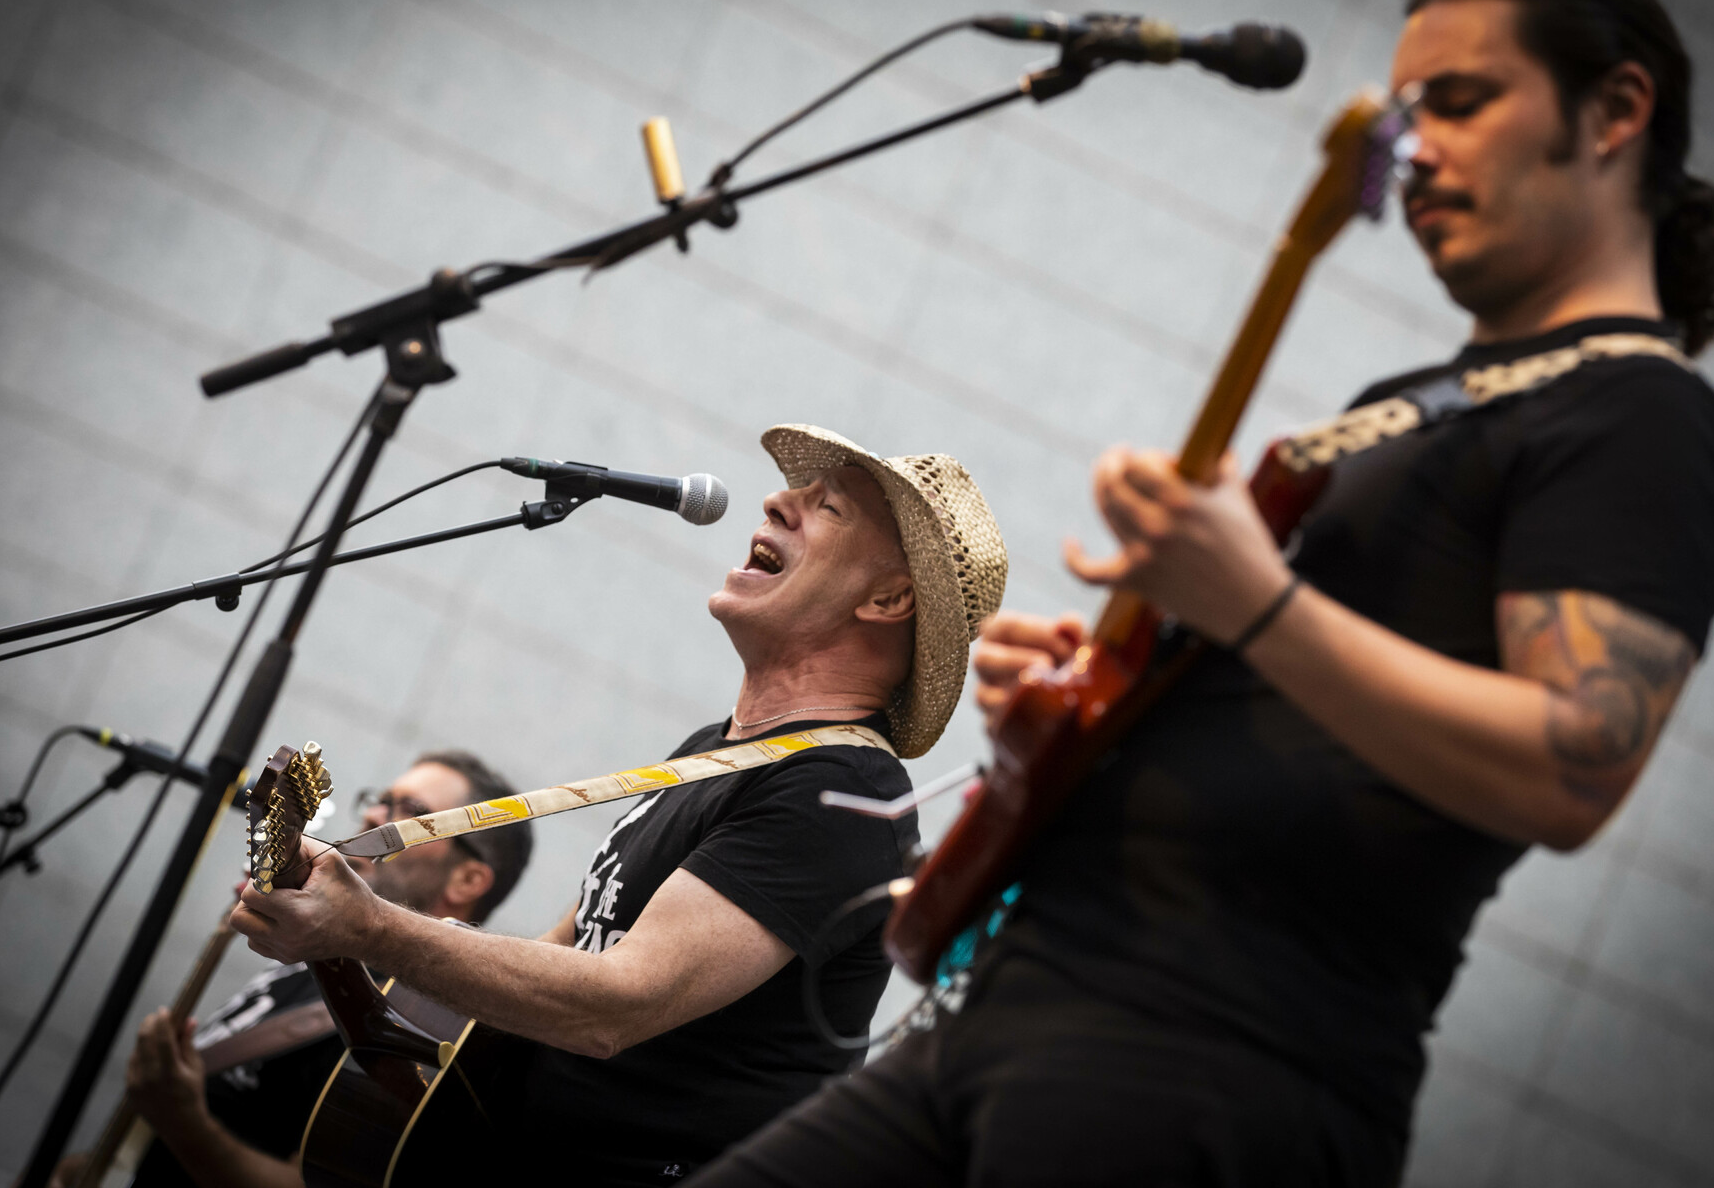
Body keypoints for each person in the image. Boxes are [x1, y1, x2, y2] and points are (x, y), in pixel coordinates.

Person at [691, 0, 1714, 1188]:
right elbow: (1283, 673)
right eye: (1405, 119)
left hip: (1220, 1051)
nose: (1415, 152)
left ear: (1616, 111)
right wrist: (1103, 681)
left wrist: (1255, 600)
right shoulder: (1410, 403)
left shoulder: (1640, 416)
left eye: (1461, 103)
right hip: (1029, 997)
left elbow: (1573, 765)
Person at [227, 425, 1008, 1184]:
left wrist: (370, 927)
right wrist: (346, 926)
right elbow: (566, 959)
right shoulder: (717, 749)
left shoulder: (841, 794)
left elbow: (616, 1006)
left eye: (828, 507)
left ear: (888, 598)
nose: (775, 503)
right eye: (794, 492)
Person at [53, 751, 532, 1188]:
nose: (371, 815)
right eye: (379, 800)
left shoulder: (413, 1023)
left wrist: (187, 1126)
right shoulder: (320, 959)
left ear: (468, 879)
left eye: (409, 810)